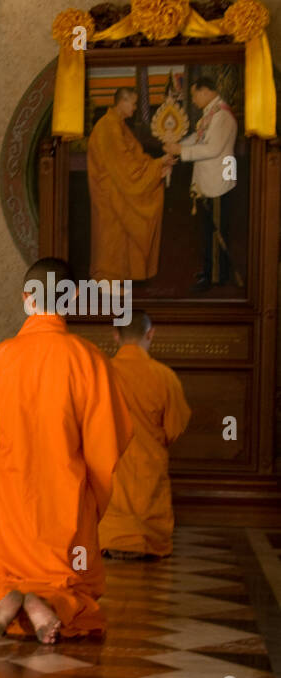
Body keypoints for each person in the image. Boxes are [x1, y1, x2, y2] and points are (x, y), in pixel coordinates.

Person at [0, 257, 133, 642]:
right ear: (71, 297)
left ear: (26, 298)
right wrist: (93, 499)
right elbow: (109, 443)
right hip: (66, 499)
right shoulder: (90, 359)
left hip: (9, 496)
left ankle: (7, 597)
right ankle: (47, 601)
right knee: (73, 578)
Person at [100, 311, 191, 559]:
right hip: (148, 463)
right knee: (147, 494)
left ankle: (109, 538)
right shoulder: (164, 377)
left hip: (107, 463)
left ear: (115, 336)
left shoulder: (99, 373)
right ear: (150, 334)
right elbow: (175, 428)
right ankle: (144, 542)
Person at [87, 87, 175, 281]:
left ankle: (124, 276)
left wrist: (157, 164)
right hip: (112, 194)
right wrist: (157, 165)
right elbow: (125, 167)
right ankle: (108, 279)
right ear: (122, 102)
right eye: (133, 104)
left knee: (124, 238)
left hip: (121, 189)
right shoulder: (108, 127)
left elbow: (135, 158)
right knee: (113, 238)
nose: (135, 108)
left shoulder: (118, 125)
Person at [164, 77, 240, 291]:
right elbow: (198, 139)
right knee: (208, 230)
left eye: (195, 94)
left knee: (215, 231)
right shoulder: (212, 113)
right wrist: (179, 145)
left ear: (206, 91)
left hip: (219, 182)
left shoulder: (222, 115)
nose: (193, 99)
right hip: (211, 180)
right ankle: (210, 270)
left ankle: (215, 277)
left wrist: (181, 151)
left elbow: (212, 149)